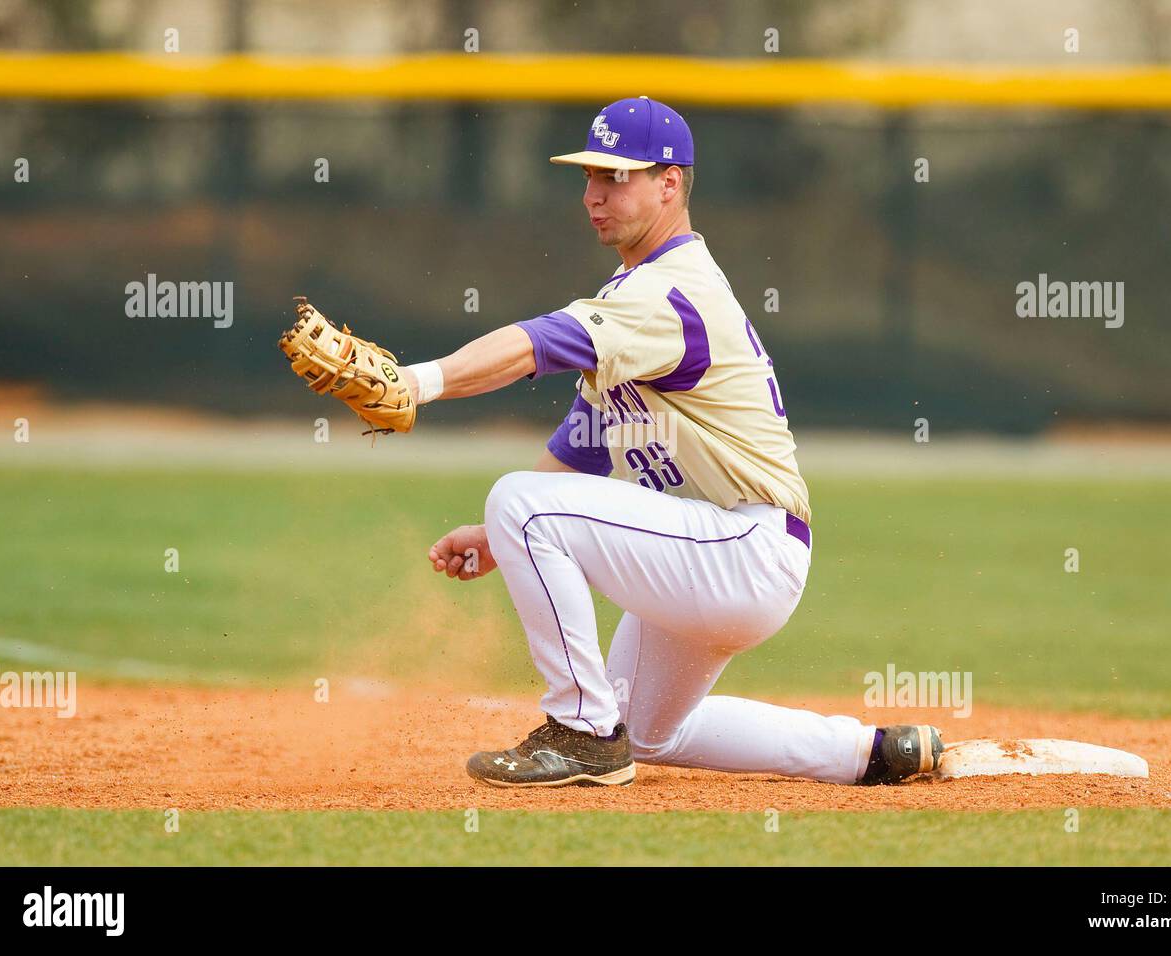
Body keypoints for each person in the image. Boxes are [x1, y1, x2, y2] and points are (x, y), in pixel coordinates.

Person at [402, 96, 942, 788]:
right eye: (590, 177)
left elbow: (539, 343)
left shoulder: (669, 290)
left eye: (616, 177)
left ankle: (580, 731)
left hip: (741, 547)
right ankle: (867, 752)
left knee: (521, 500)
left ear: (670, 182)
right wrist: (498, 538)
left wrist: (420, 381)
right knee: (651, 729)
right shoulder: (640, 287)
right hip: (722, 555)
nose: (595, 196)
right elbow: (587, 441)